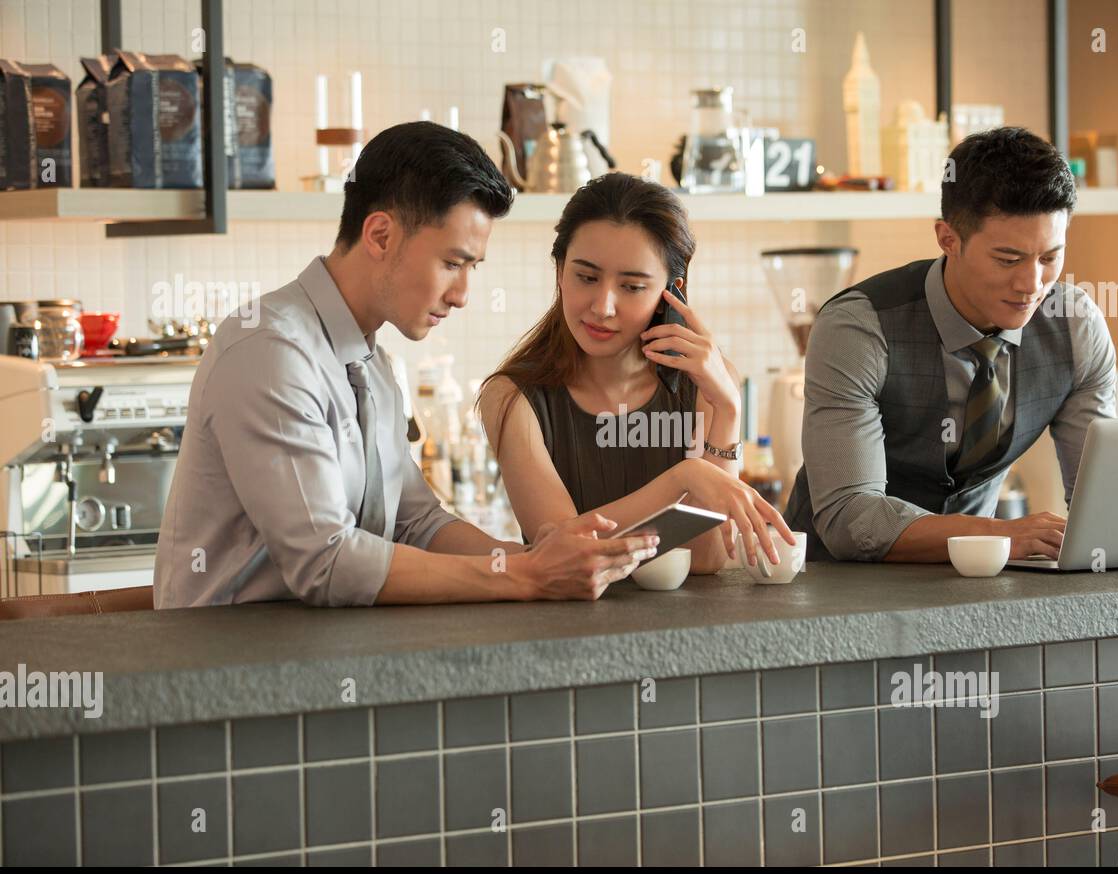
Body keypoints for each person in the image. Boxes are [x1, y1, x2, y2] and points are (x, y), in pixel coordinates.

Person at [154, 123, 658, 608]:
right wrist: (527, 576)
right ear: (379, 236)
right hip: (225, 673)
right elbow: (324, 562)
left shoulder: (371, 363)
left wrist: (539, 561)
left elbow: (417, 523)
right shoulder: (269, 349)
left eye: (472, 269)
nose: (462, 295)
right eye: (452, 263)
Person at [785, 126, 1117, 563]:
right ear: (948, 239)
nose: (1032, 285)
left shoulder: (1074, 328)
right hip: (837, 589)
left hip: (977, 586)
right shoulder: (858, 327)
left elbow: (1103, 504)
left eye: (1050, 257)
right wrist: (1000, 536)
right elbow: (852, 519)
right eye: (1008, 259)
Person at [479, 172, 794, 571]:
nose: (603, 306)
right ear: (560, 272)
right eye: (586, 277)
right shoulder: (511, 398)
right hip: (563, 630)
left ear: (672, 291)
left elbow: (707, 560)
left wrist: (728, 411)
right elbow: (562, 552)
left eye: (631, 286)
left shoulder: (707, 384)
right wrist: (683, 479)